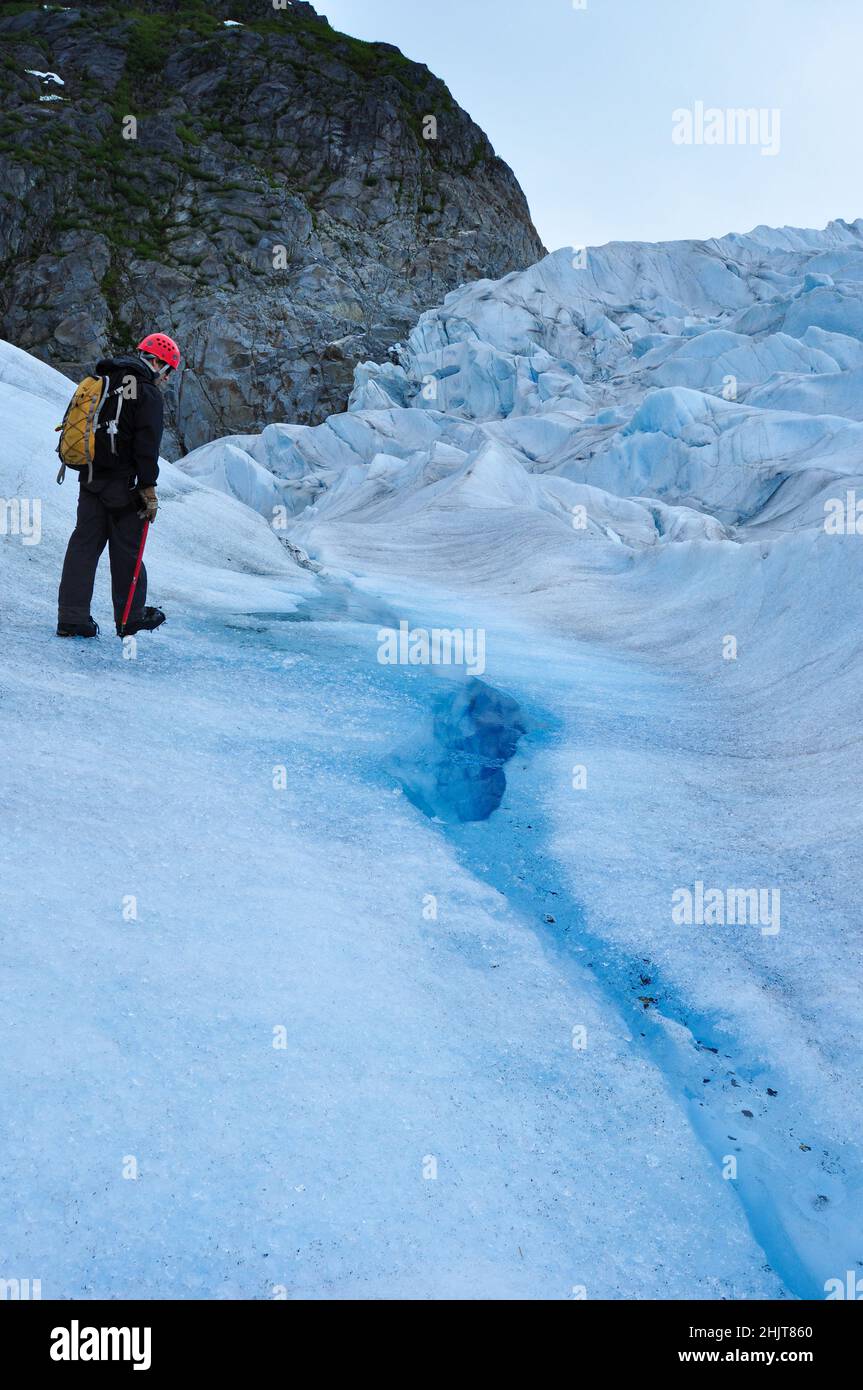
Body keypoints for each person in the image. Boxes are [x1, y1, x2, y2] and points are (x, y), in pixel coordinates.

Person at [56, 333, 181, 638]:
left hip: (89, 478)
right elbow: (146, 445)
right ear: (157, 363)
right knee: (128, 550)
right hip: (124, 485)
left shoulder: (105, 378)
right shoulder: (147, 392)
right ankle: (130, 618)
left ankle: (72, 619)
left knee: (83, 545)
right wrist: (148, 487)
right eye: (167, 372)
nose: (165, 379)